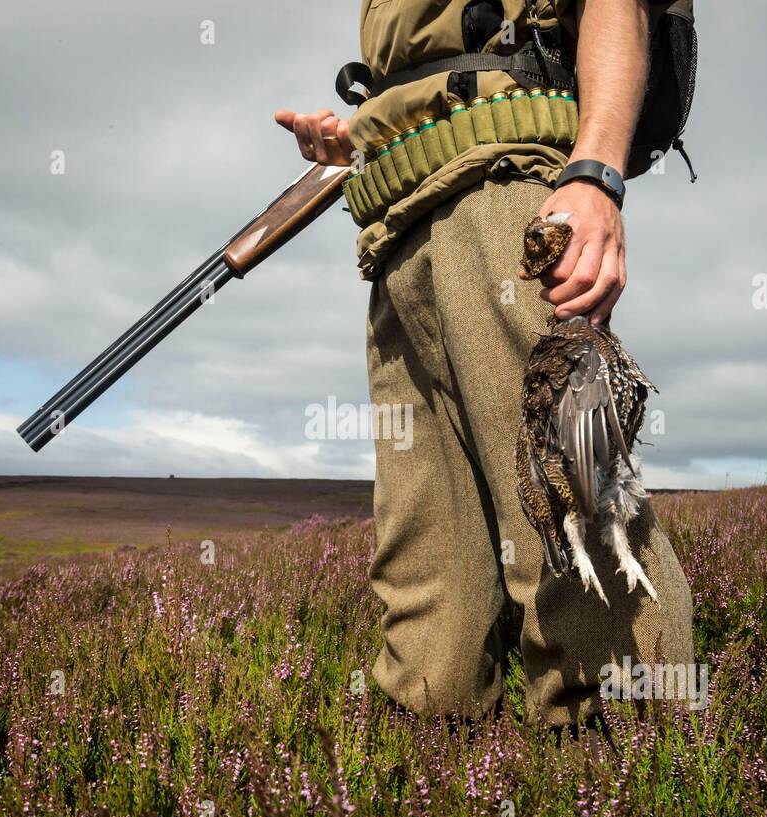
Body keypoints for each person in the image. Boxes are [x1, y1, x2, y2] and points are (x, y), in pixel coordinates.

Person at [275, 0, 695, 727]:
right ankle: (449, 786)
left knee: (572, 521)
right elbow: (429, 66)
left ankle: (650, 788)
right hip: (398, 229)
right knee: (428, 601)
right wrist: (365, 125)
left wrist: (595, 175)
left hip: (506, 199)